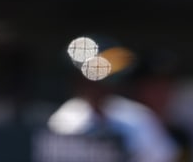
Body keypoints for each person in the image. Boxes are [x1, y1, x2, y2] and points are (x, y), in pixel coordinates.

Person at [48, 35, 181, 162]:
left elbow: (163, 156)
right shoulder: (61, 122)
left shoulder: (138, 117)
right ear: (79, 80)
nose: (101, 85)